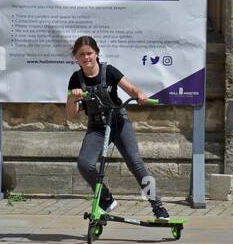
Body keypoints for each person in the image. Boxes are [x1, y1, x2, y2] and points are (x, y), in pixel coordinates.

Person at [66, 35, 169, 220]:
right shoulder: (76, 78)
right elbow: (71, 113)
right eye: (81, 54)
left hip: (118, 123)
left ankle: (158, 205)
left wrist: (140, 94)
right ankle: (106, 199)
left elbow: (131, 89)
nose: (86, 57)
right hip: (97, 127)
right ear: (76, 57)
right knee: (84, 164)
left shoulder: (109, 71)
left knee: (135, 163)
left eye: (89, 53)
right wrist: (73, 98)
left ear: (97, 53)